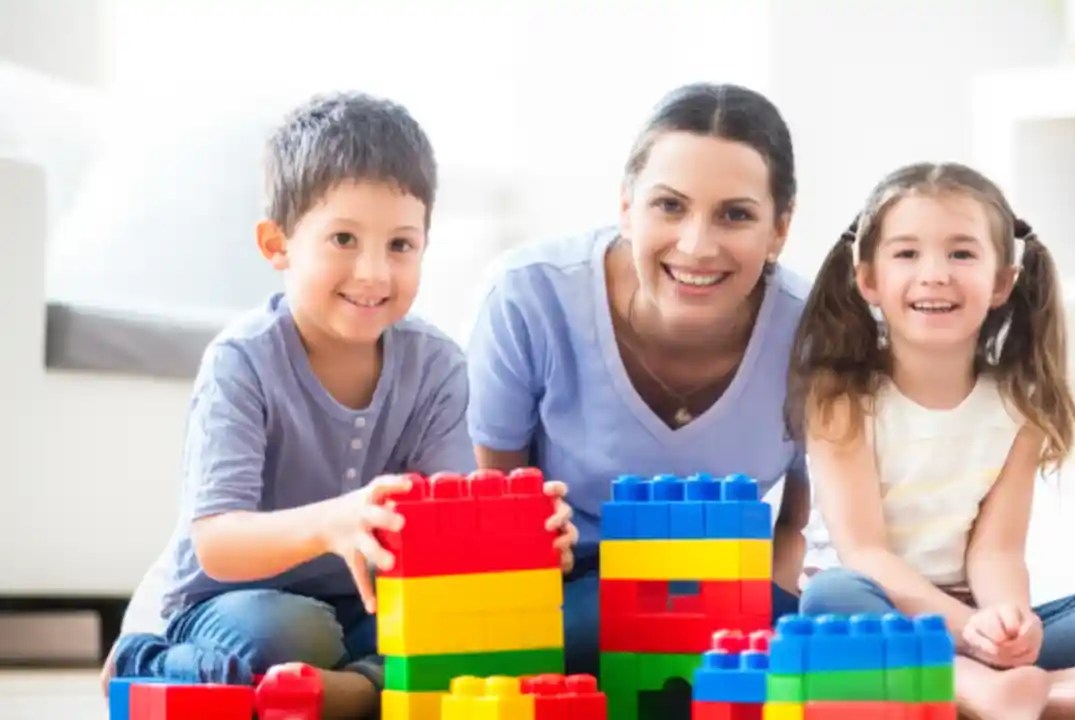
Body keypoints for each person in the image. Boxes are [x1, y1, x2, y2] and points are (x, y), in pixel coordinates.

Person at [101, 91, 576, 718]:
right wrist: (333, 522)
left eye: (401, 245)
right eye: (344, 238)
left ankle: (339, 691)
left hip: (371, 605)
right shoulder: (243, 361)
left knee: (493, 640)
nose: (374, 273)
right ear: (278, 245)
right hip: (238, 602)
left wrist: (523, 546)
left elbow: (447, 530)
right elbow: (217, 542)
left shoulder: (436, 365)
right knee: (292, 634)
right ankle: (149, 662)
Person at [789, 162, 1075, 720]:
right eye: (907, 254)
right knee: (831, 597)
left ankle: (981, 684)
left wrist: (1006, 620)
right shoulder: (840, 397)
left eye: (961, 253)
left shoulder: (1015, 407)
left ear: (1002, 281)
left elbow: (996, 550)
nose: (934, 274)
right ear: (868, 279)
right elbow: (866, 554)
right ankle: (1035, 694)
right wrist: (969, 632)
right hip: (873, 615)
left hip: (966, 619)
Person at [465, 82, 812, 676]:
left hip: (728, 600)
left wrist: (759, 624)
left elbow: (797, 526)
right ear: (626, 207)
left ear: (779, 228)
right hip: (566, 592)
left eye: (736, 215)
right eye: (669, 206)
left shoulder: (814, 331)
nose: (698, 246)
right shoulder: (529, 296)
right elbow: (502, 516)